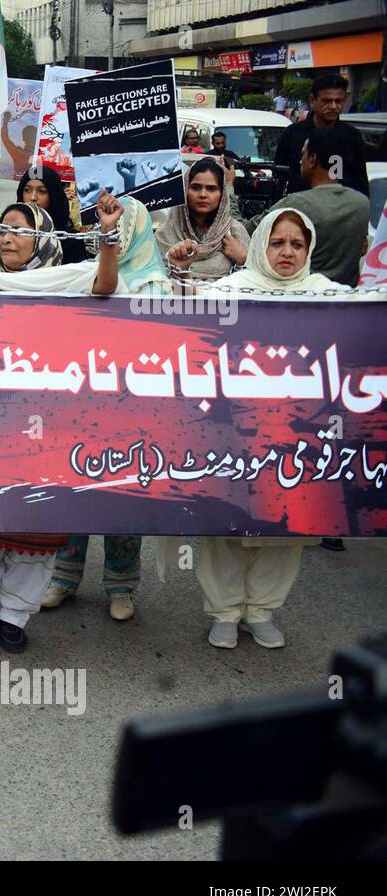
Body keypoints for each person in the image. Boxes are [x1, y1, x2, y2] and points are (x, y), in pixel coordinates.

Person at [0, 184, 125, 652]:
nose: (6, 237)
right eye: (1, 229)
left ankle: (15, 617)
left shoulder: (66, 280)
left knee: (37, 528)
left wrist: (107, 236)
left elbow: (105, 286)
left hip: (51, 427)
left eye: (18, 231)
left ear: (42, 237)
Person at [188, 208, 336, 648]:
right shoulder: (230, 290)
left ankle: (263, 610)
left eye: (297, 244)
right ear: (260, 247)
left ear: (308, 249)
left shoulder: (328, 296)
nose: (287, 252)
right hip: (235, 430)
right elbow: (186, 324)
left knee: (284, 525)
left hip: (298, 434)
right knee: (230, 522)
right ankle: (224, 612)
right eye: (277, 242)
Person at [243, 124, 369, 288]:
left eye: (303, 154)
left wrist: (228, 189)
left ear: (313, 159)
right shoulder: (362, 204)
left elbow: (247, 230)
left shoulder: (295, 205)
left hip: (300, 299)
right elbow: (363, 248)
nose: (300, 160)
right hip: (345, 301)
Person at [273, 74, 369, 198]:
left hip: (341, 211)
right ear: (312, 100)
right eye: (327, 101)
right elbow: (279, 177)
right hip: (299, 210)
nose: (334, 106)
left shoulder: (352, 136)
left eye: (338, 101)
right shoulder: (293, 133)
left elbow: (361, 183)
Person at [155, 158, 249, 281]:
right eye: (195, 187)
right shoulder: (165, 234)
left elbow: (256, 277)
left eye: (211, 189)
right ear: (185, 190)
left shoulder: (235, 232)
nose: (203, 194)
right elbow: (154, 277)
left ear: (222, 194)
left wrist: (243, 259)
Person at [15, 166, 89, 264]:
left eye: (42, 191)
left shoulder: (71, 241)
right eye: (27, 190)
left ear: (54, 196)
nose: (33, 197)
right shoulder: (8, 233)